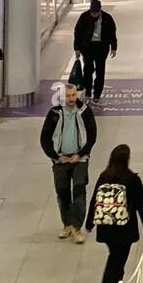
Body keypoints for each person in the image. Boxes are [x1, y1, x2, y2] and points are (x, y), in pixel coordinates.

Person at [85, 144, 143, 283]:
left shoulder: (104, 176)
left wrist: (89, 223)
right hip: (125, 229)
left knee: (114, 258)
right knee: (118, 263)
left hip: (106, 227)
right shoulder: (132, 179)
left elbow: (95, 200)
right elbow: (140, 203)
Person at [39, 82, 97, 243]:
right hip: (61, 160)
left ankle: (77, 228)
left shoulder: (85, 112)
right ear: (62, 97)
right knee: (62, 193)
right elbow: (44, 138)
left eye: (73, 95)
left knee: (79, 192)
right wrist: (56, 157)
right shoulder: (54, 113)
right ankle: (67, 225)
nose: (71, 99)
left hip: (80, 159)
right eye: (68, 96)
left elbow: (92, 136)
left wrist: (81, 154)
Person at [72, 0, 117, 103]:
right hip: (87, 47)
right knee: (88, 69)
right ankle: (88, 89)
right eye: (93, 13)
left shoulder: (107, 18)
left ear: (100, 10)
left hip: (101, 48)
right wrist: (77, 48)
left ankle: (97, 93)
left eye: (96, 13)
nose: (94, 15)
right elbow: (77, 33)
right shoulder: (84, 17)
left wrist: (114, 48)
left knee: (100, 71)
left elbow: (112, 34)